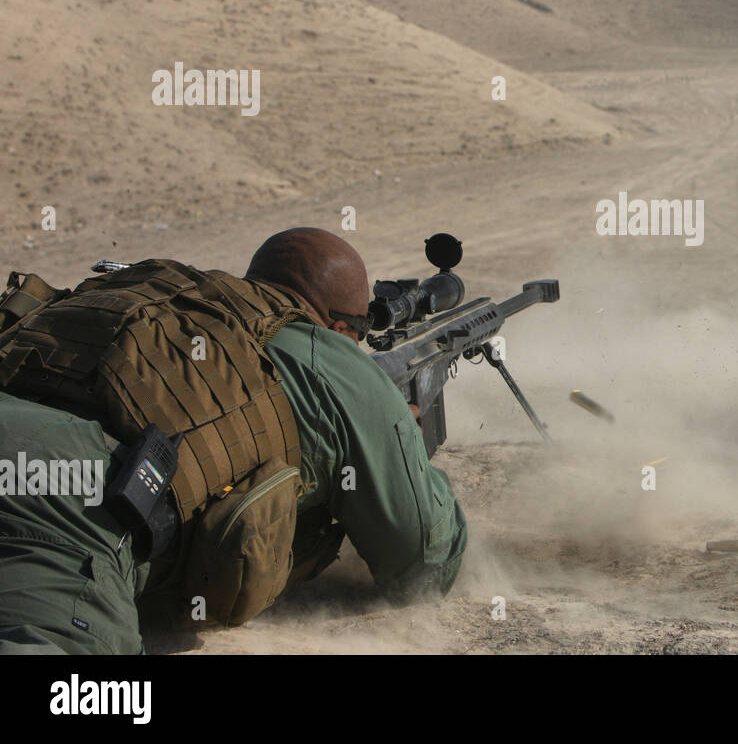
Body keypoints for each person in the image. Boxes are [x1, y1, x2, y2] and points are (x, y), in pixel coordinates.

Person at [0, 227, 467, 653]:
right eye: (358, 335)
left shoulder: (182, 307)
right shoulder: (333, 363)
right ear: (341, 329)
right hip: (60, 492)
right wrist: (408, 445)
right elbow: (422, 562)